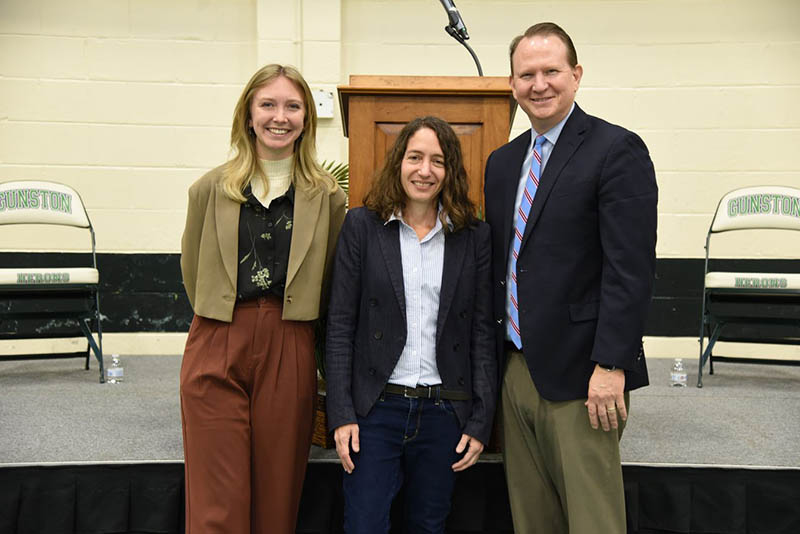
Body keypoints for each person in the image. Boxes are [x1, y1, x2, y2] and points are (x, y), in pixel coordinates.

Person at [483, 22, 658, 534]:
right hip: (516, 368)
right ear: (512, 84)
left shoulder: (616, 149)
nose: (539, 84)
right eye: (526, 74)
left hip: (585, 375)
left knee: (592, 520)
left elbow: (631, 270)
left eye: (551, 71)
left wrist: (611, 365)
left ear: (576, 75)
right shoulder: (502, 162)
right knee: (531, 518)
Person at [179, 63, 346, 534]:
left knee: (277, 498)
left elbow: (331, 280)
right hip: (217, 337)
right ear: (248, 115)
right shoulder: (210, 189)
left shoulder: (327, 196)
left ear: (307, 119)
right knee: (217, 503)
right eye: (267, 104)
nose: (280, 116)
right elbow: (193, 272)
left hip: (289, 342)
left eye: (292, 106)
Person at [325, 116, 497, 534]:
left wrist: (481, 419)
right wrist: (342, 413)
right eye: (415, 157)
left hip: (444, 412)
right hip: (375, 410)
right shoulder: (362, 227)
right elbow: (340, 326)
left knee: (429, 525)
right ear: (398, 162)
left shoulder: (472, 236)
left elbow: (481, 333)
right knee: (364, 525)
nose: (425, 170)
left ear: (450, 170)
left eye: (437, 161)